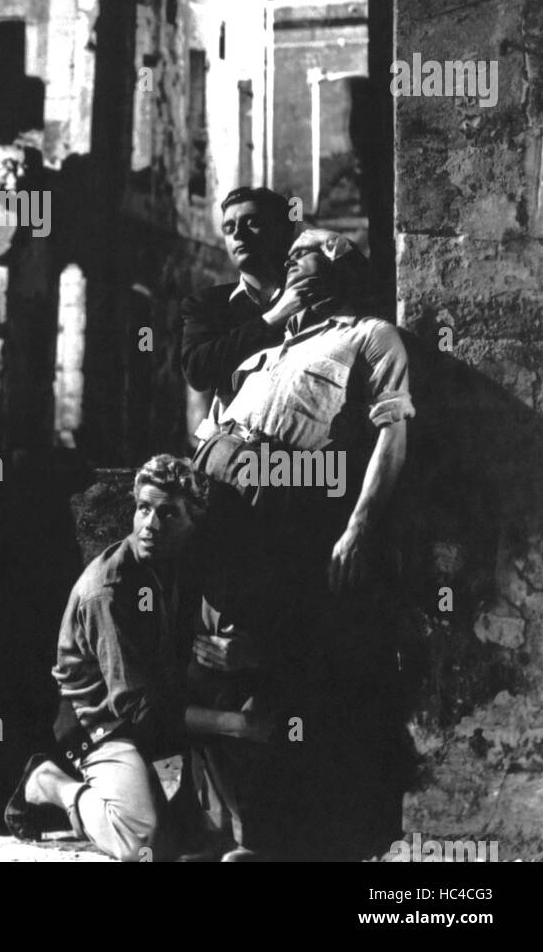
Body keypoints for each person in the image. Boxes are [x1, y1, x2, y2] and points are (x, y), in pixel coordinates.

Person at [189, 227, 414, 860]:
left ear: (338, 266)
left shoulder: (370, 336)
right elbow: (210, 410)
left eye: (302, 255)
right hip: (220, 502)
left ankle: (276, 840)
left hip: (286, 512)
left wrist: (360, 525)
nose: (288, 262)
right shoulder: (271, 341)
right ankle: (216, 823)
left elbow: (392, 431)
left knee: (277, 668)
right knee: (212, 659)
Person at [3, 455, 273, 863]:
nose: (150, 524)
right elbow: (137, 709)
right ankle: (52, 784)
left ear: (193, 522)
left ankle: (226, 829)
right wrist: (237, 725)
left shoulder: (184, 564)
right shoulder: (108, 591)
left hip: (161, 710)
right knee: (145, 842)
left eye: (168, 513)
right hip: (101, 723)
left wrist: (247, 657)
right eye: (143, 509)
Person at [179, 187, 330, 437]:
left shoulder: (314, 294)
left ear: (282, 230)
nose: (238, 234)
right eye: (229, 228)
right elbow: (198, 371)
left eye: (252, 223)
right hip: (236, 446)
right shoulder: (206, 304)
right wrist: (273, 318)